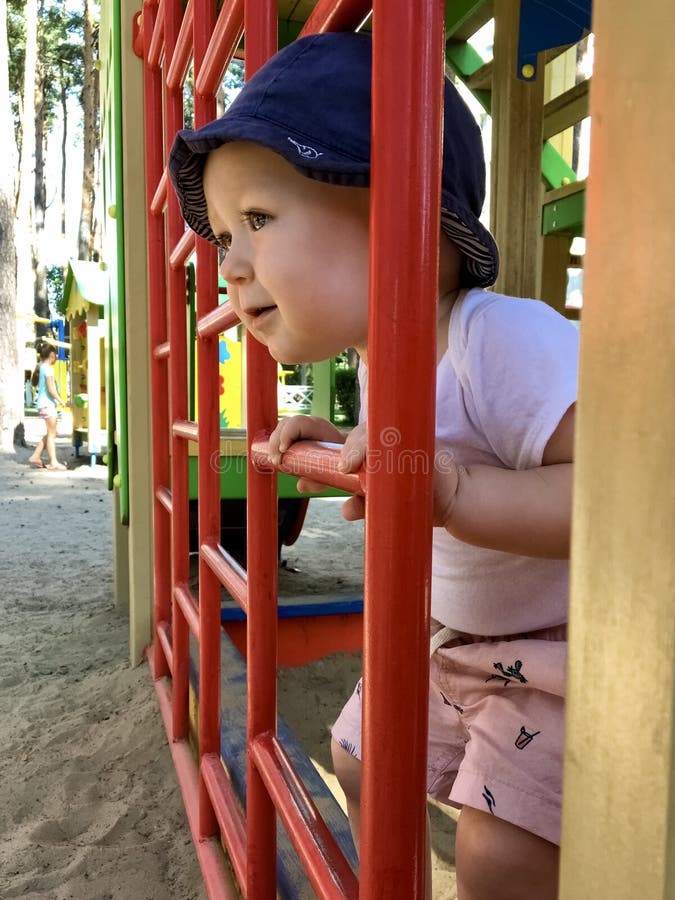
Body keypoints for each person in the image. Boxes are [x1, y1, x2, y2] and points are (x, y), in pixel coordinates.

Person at [169, 32, 577, 899]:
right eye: (224, 237)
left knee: (499, 860)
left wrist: (460, 491)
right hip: (454, 646)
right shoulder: (384, 355)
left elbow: (619, 491)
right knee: (354, 758)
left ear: (405, 215)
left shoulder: (499, 337)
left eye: (259, 219)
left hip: (554, 657)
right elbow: (413, 447)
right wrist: (339, 444)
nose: (231, 265)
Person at [28, 343, 67, 470]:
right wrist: (61, 400)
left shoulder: (42, 367)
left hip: (44, 405)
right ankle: (53, 462)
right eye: (55, 354)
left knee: (52, 432)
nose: (56, 357)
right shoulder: (48, 369)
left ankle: (36, 456)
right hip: (47, 405)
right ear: (51, 355)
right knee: (51, 434)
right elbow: (51, 389)